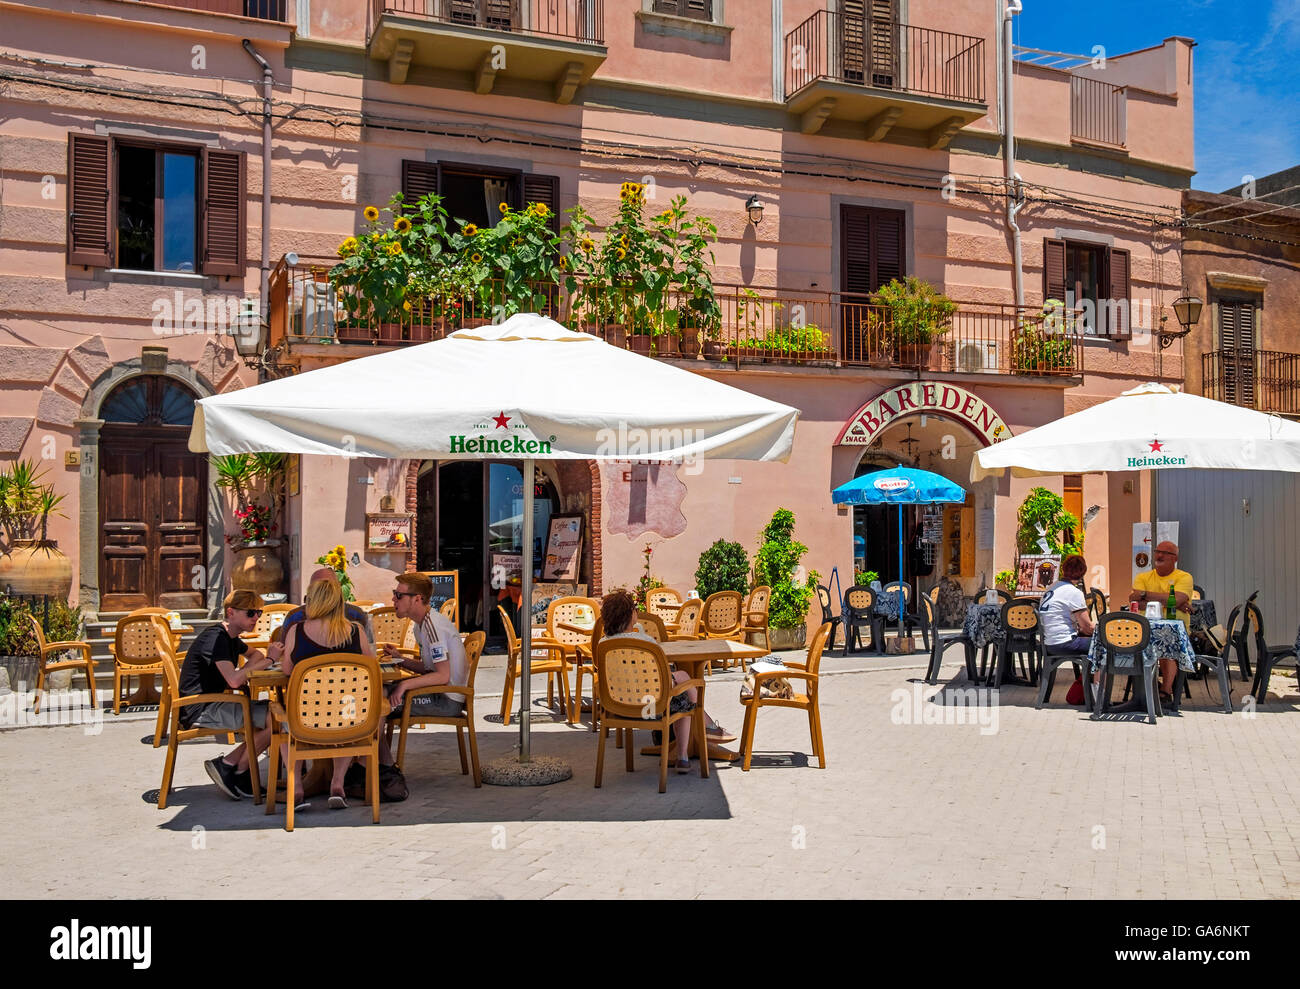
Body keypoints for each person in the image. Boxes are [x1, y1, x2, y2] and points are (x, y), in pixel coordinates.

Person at [599, 589, 734, 775]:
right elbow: (661, 680)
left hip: (617, 709)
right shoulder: (645, 642)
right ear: (631, 615)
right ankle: (685, 753)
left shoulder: (603, 645)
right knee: (683, 694)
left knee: (680, 680)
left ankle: (706, 727)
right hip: (651, 709)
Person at [281, 578, 375, 810]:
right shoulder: (356, 631)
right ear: (339, 602)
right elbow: (371, 666)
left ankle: (296, 787)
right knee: (343, 720)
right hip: (349, 717)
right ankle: (337, 784)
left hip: (306, 718)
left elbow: (286, 670)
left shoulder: (297, 630)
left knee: (277, 725)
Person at [179, 589, 279, 800]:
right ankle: (237, 770)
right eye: (250, 613)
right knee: (278, 720)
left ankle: (232, 766)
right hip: (201, 708)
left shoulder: (230, 636)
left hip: (215, 702)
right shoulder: (216, 639)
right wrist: (270, 661)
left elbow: (255, 654)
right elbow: (233, 680)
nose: (256, 618)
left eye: (259, 613)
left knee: (276, 715)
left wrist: (252, 668)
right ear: (231, 612)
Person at [381, 572, 468, 764]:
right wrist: (400, 660)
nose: (393, 599)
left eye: (399, 595)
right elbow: (431, 669)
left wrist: (405, 686)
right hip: (439, 692)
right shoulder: (421, 625)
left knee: (379, 703)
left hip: (446, 699)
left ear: (417, 599)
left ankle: (381, 765)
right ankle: (377, 763)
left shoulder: (432, 626)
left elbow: (442, 676)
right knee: (379, 693)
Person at [1128, 539, 1194, 701]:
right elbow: (1134, 600)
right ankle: (1147, 686)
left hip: (1175, 629)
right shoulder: (1143, 577)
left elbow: (1177, 599)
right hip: (1144, 628)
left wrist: (1145, 595)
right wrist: (1170, 601)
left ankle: (1165, 691)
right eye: (1157, 551)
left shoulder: (1184, 577)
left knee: (1166, 644)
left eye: (1165, 553)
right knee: (1135, 646)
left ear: (1175, 559)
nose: (1159, 555)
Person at [281, 566, 374, 645]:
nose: (324, 593)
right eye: (319, 588)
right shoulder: (294, 617)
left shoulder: (356, 615)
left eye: (329, 587)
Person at [1038, 554, 1094, 654]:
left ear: (1063, 570)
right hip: (1065, 643)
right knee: (1104, 644)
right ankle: (1095, 670)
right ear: (1082, 573)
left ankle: (1088, 670)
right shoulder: (1074, 592)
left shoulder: (1052, 587)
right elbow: (1086, 628)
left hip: (1049, 643)